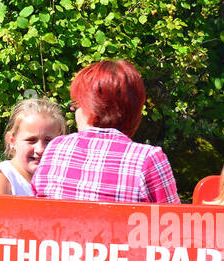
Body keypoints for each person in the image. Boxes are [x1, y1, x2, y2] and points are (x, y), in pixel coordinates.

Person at [32, 59, 179, 204]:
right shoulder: (147, 159)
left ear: (90, 107)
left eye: (77, 104)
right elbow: (174, 222)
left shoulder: (55, 148)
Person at [0, 98, 66, 196]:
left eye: (49, 141)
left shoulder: (57, 181)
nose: (40, 149)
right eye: (31, 140)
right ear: (12, 141)